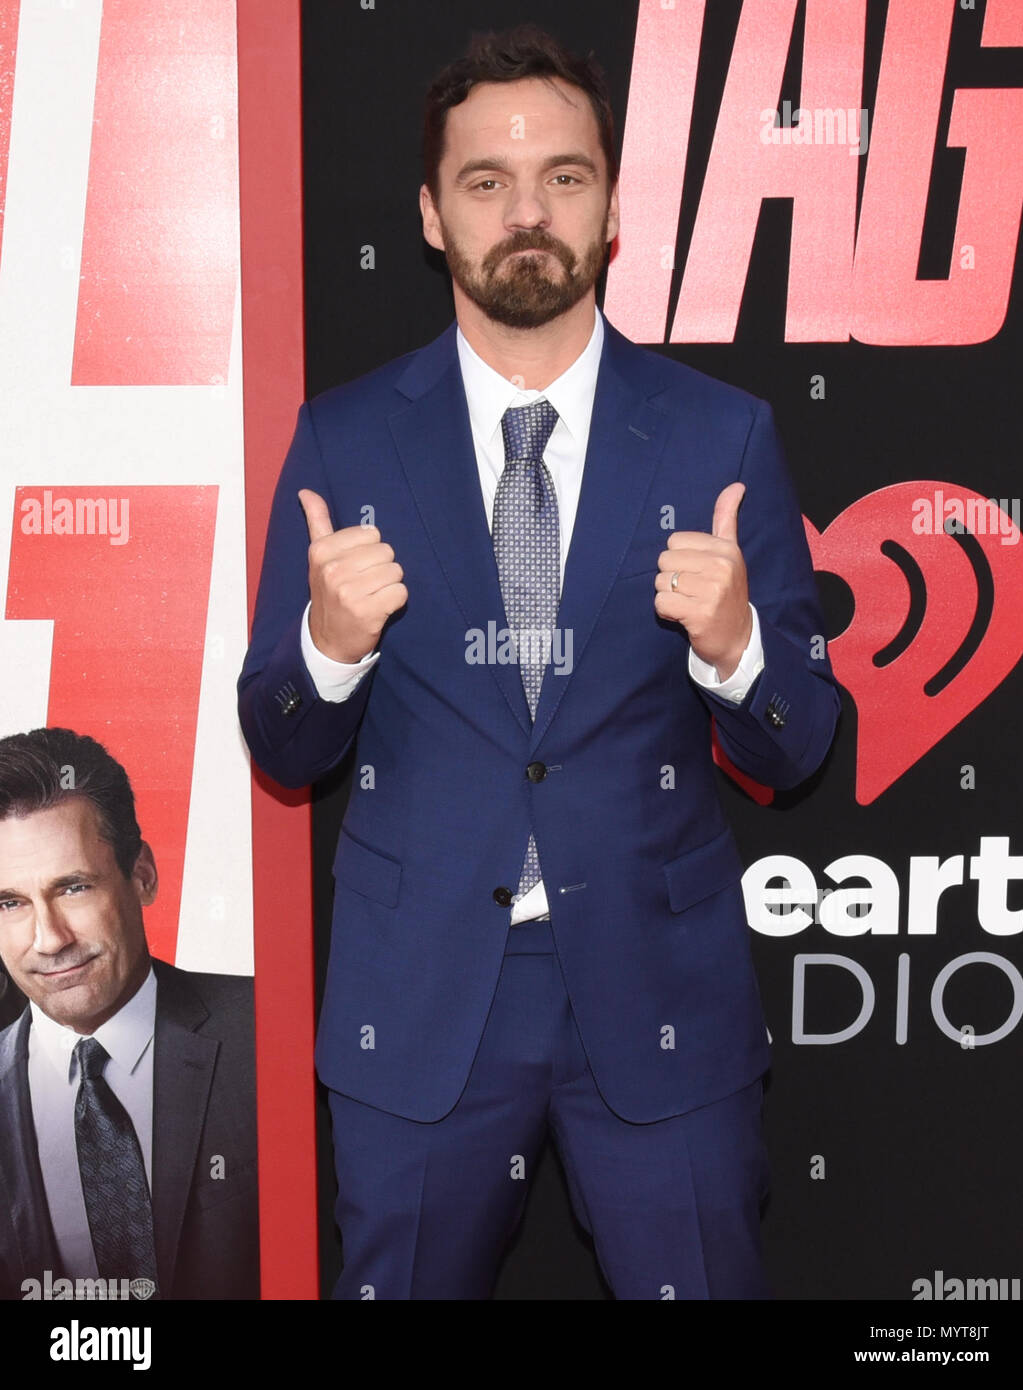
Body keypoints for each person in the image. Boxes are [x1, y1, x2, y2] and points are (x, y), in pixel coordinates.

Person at [239, 25, 840, 1300]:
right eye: (486, 181)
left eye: (564, 177)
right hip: (420, 1009)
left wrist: (738, 650)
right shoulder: (343, 437)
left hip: (657, 992)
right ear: (427, 212)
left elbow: (798, 745)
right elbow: (283, 740)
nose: (527, 212)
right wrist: (327, 649)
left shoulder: (720, 434)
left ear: (614, 204)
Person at [0, 728, 258, 1301]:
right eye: (9, 902)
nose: (48, 939)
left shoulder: (269, 1035)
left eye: (73, 888)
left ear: (141, 875)